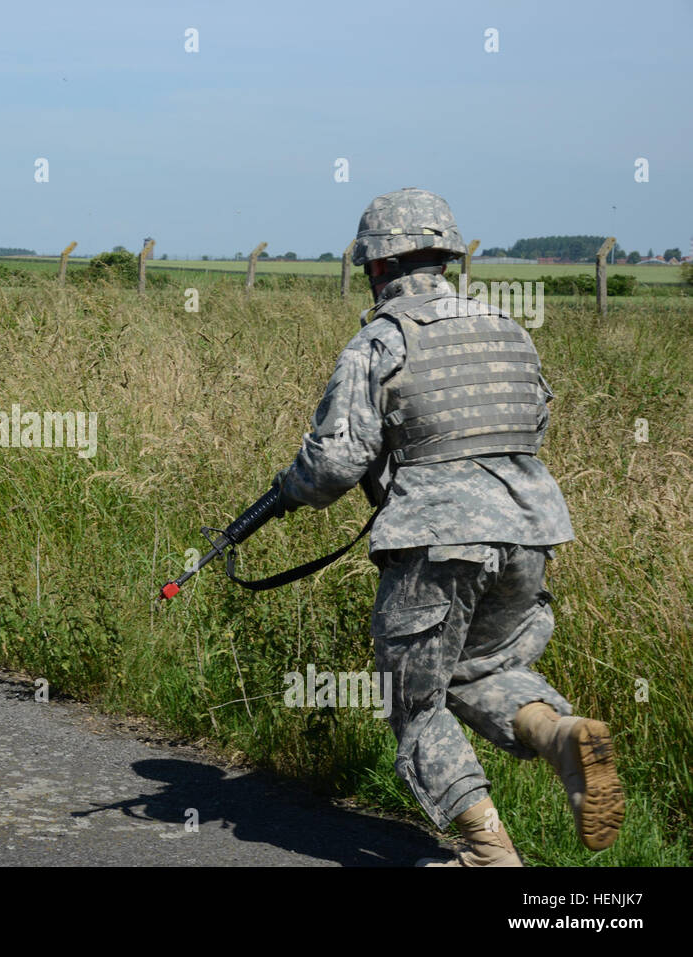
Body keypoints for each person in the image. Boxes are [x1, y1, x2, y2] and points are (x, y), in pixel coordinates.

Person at [269, 188, 624, 866]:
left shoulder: (381, 340)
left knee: (414, 698)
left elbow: (336, 461)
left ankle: (485, 848)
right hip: (530, 527)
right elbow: (536, 422)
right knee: (482, 667)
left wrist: (291, 487)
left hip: (437, 535)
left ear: (375, 266)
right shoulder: (507, 329)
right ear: (447, 256)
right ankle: (560, 732)